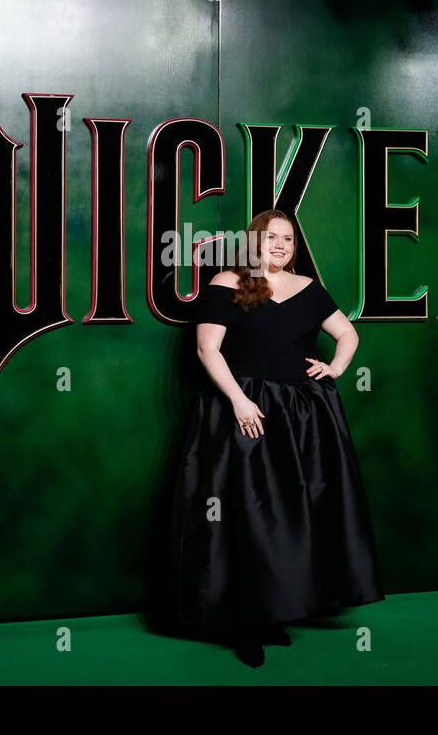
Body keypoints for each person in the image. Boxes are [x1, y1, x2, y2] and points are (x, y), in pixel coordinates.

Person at [161, 209, 385, 667]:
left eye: (287, 238)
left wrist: (335, 368)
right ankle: (243, 622)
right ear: (254, 243)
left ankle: (275, 612)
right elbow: (208, 349)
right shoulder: (229, 282)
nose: (280, 245)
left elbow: (347, 333)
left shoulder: (308, 289)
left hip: (302, 416)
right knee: (246, 517)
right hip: (245, 411)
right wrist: (239, 402)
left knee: (290, 518)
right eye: (271, 237)